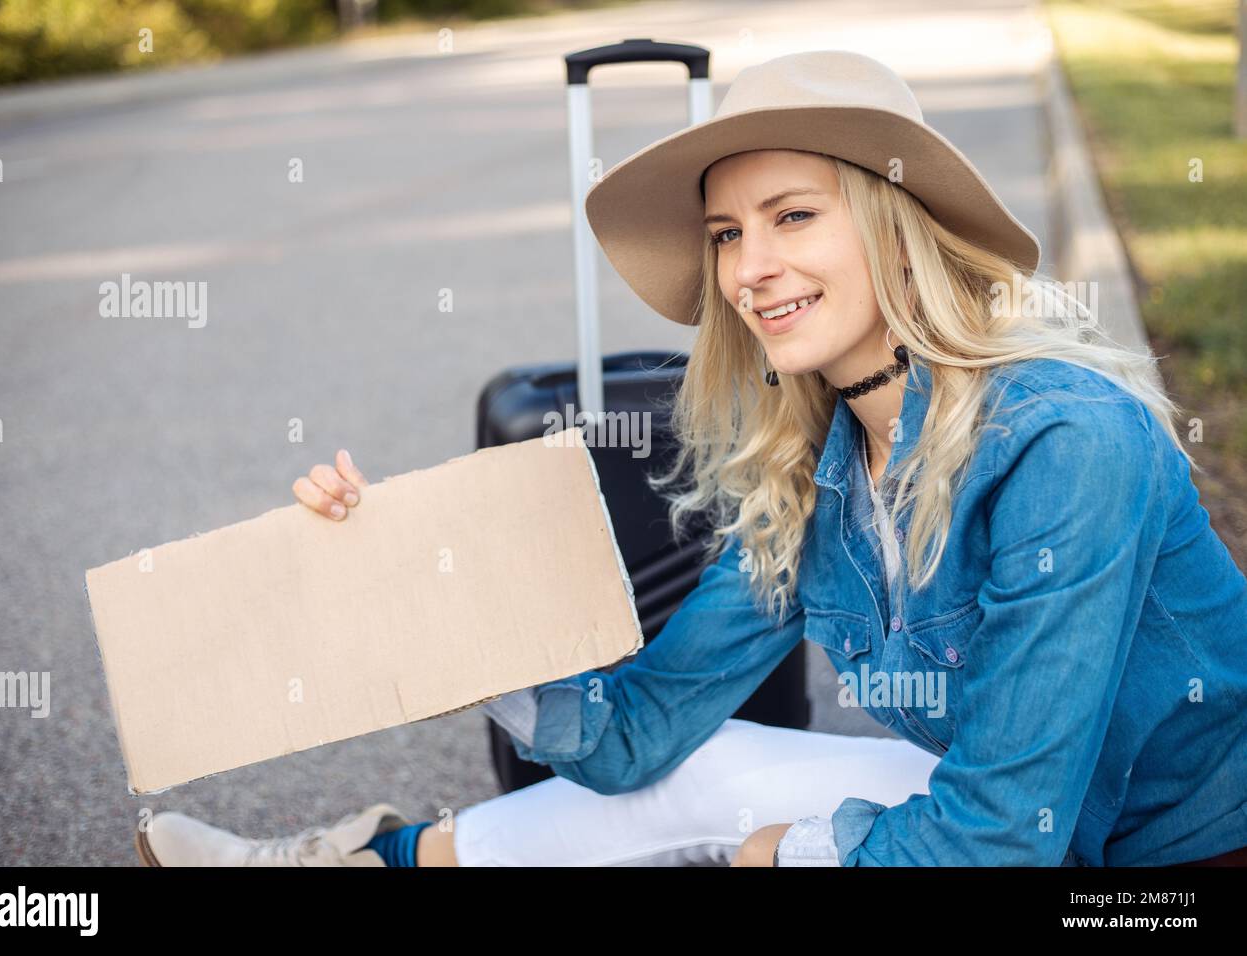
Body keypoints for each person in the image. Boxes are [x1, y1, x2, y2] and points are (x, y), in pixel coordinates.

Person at [133, 50, 1247, 867]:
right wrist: (428, 590)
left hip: (1157, 863)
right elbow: (637, 737)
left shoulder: (1064, 443)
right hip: (1034, 817)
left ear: (896, 227)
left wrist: (802, 852)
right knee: (703, 770)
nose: (750, 268)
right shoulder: (815, 471)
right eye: (726, 234)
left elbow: (1007, 837)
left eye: (793, 216)